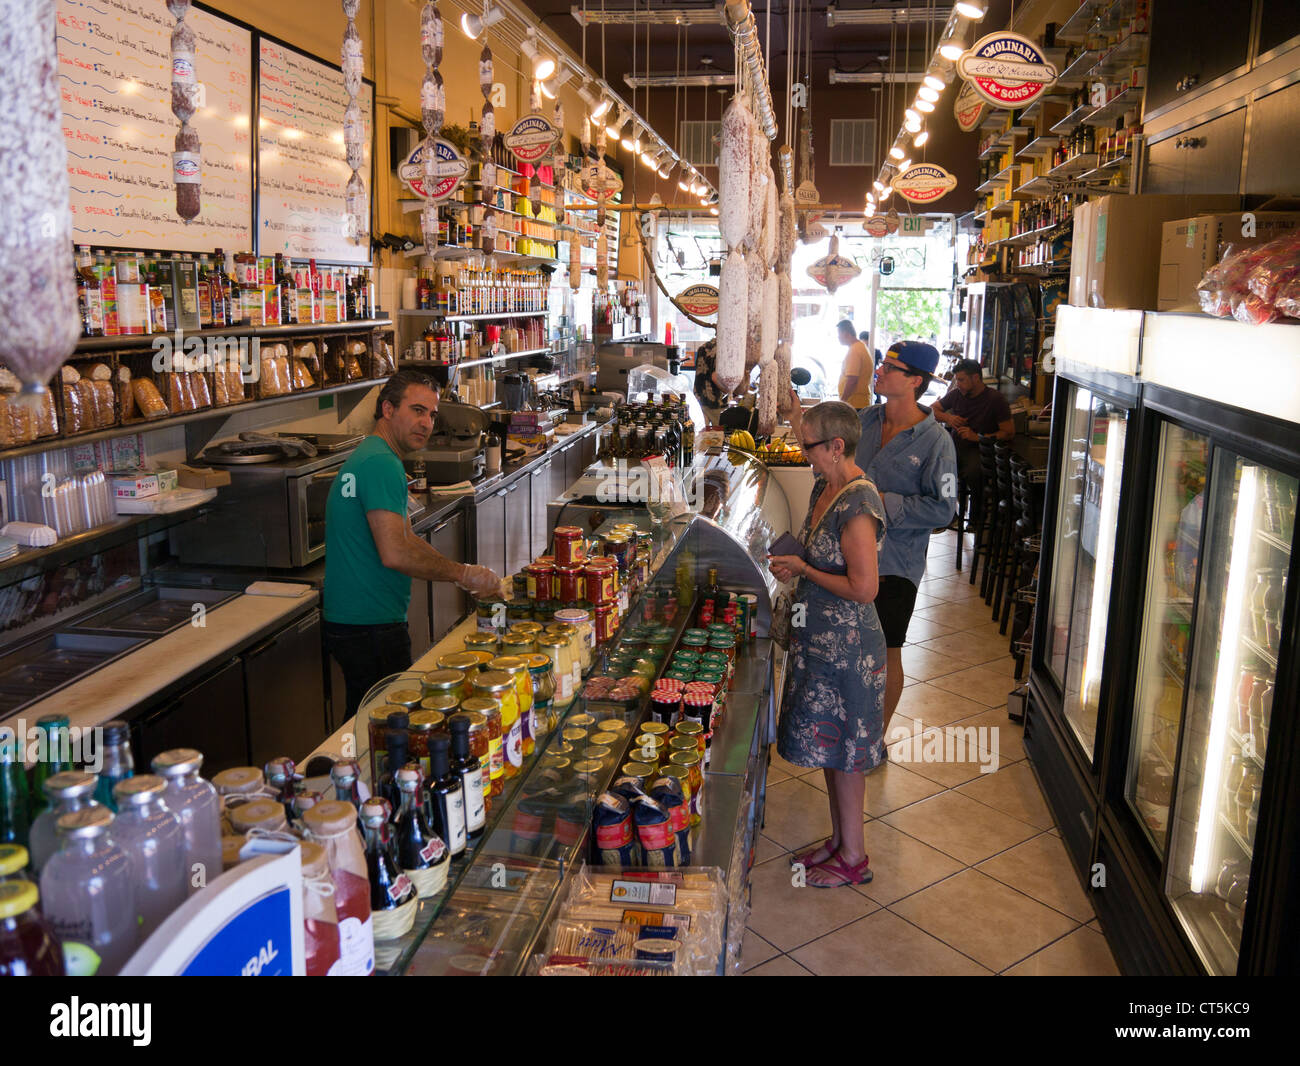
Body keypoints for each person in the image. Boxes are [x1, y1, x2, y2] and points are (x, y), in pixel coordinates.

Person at [794, 342, 956, 736]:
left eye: (891, 367)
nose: (879, 371)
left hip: (895, 566)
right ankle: (833, 729)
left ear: (916, 380)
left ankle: (875, 737)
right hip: (840, 561)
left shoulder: (937, 442)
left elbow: (944, 510)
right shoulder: (860, 421)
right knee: (842, 648)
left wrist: (884, 504)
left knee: (886, 651)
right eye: (882, 363)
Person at [323, 370, 500, 719]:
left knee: (366, 721)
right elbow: (396, 553)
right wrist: (462, 572)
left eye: (432, 414)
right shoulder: (380, 464)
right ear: (388, 410)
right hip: (369, 624)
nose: (426, 423)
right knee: (385, 725)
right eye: (417, 410)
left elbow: (405, 538)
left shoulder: (374, 456)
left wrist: (467, 576)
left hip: (358, 621)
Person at [768, 401, 885, 887]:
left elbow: (864, 588)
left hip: (849, 651)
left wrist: (804, 569)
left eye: (808, 445)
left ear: (836, 447)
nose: (802, 452)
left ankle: (855, 859)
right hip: (819, 643)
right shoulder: (824, 485)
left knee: (848, 754)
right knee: (828, 749)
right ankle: (839, 842)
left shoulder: (859, 503)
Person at [930, 358, 1015, 512]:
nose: (958, 384)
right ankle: (948, 511)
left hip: (981, 450)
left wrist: (977, 437)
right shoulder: (956, 394)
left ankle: (976, 514)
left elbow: (1008, 433)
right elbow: (932, 410)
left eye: (961, 380)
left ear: (975, 377)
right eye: (957, 380)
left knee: (974, 472)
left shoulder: (995, 399)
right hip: (955, 447)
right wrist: (949, 418)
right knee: (940, 468)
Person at [835, 319, 873, 410]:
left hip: (854, 403)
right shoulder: (860, 347)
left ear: (846, 334)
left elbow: (852, 379)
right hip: (858, 402)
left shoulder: (855, 351)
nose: (838, 337)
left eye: (839, 334)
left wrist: (843, 401)